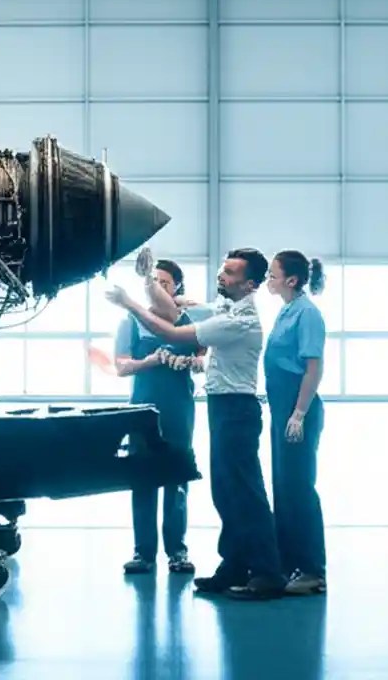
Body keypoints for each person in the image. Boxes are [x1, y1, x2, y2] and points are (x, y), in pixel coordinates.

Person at [106, 248, 287, 601]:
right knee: (225, 491)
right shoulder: (224, 308)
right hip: (220, 408)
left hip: (236, 409)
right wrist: (146, 282)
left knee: (245, 492)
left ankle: (267, 572)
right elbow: (171, 311)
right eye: (222, 268)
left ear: (250, 285)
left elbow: (172, 331)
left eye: (231, 273)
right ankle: (233, 566)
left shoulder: (239, 320)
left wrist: (130, 301)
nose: (222, 275)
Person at [113, 259, 199, 575]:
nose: (158, 288)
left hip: (178, 410)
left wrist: (184, 361)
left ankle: (177, 551)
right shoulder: (132, 322)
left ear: (176, 287)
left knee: (177, 477)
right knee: (143, 478)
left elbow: (203, 356)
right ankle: (143, 553)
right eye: (154, 282)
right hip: (142, 412)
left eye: (165, 283)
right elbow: (121, 366)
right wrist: (150, 361)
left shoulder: (187, 322)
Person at [260, 250, 328, 596]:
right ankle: (289, 563)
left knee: (300, 488)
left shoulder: (307, 314)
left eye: (272, 275)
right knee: (283, 487)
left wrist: (299, 413)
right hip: (279, 405)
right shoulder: (286, 310)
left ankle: (314, 570)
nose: (268, 280)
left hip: (297, 406)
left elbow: (312, 367)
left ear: (292, 280)